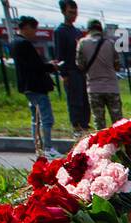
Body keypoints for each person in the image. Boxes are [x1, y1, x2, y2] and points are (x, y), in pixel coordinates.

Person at [12, 17, 60, 159]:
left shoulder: (15, 42)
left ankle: (39, 147)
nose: (35, 33)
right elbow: (36, 66)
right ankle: (47, 148)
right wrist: (51, 66)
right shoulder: (24, 44)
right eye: (34, 29)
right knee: (46, 118)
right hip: (36, 86)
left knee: (36, 119)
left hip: (28, 86)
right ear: (26, 27)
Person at [76, 21, 123, 132]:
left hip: (94, 88)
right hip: (112, 87)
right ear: (100, 30)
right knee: (118, 123)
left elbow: (80, 65)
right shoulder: (110, 43)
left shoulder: (82, 43)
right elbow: (117, 65)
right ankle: (121, 146)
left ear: (88, 29)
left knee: (99, 122)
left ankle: (103, 147)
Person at [54, 1, 89, 138]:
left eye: (75, 12)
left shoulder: (77, 31)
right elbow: (59, 55)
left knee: (85, 101)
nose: (74, 15)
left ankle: (85, 126)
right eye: (71, 12)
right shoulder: (60, 31)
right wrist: (64, 74)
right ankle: (77, 127)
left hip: (82, 72)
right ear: (63, 12)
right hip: (71, 72)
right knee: (75, 101)